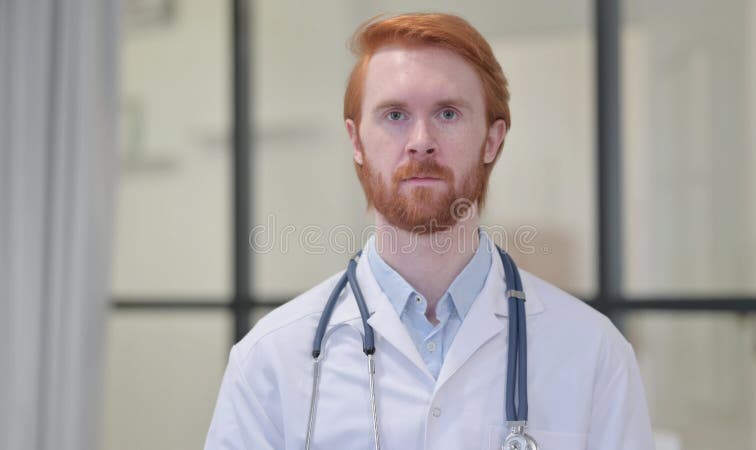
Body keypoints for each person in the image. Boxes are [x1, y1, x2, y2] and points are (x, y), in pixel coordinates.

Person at [205, 12, 654, 450]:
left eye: (448, 113)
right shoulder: (269, 359)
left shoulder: (594, 353)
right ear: (357, 142)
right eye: (395, 115)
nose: (421, 140)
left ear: (492, 140)